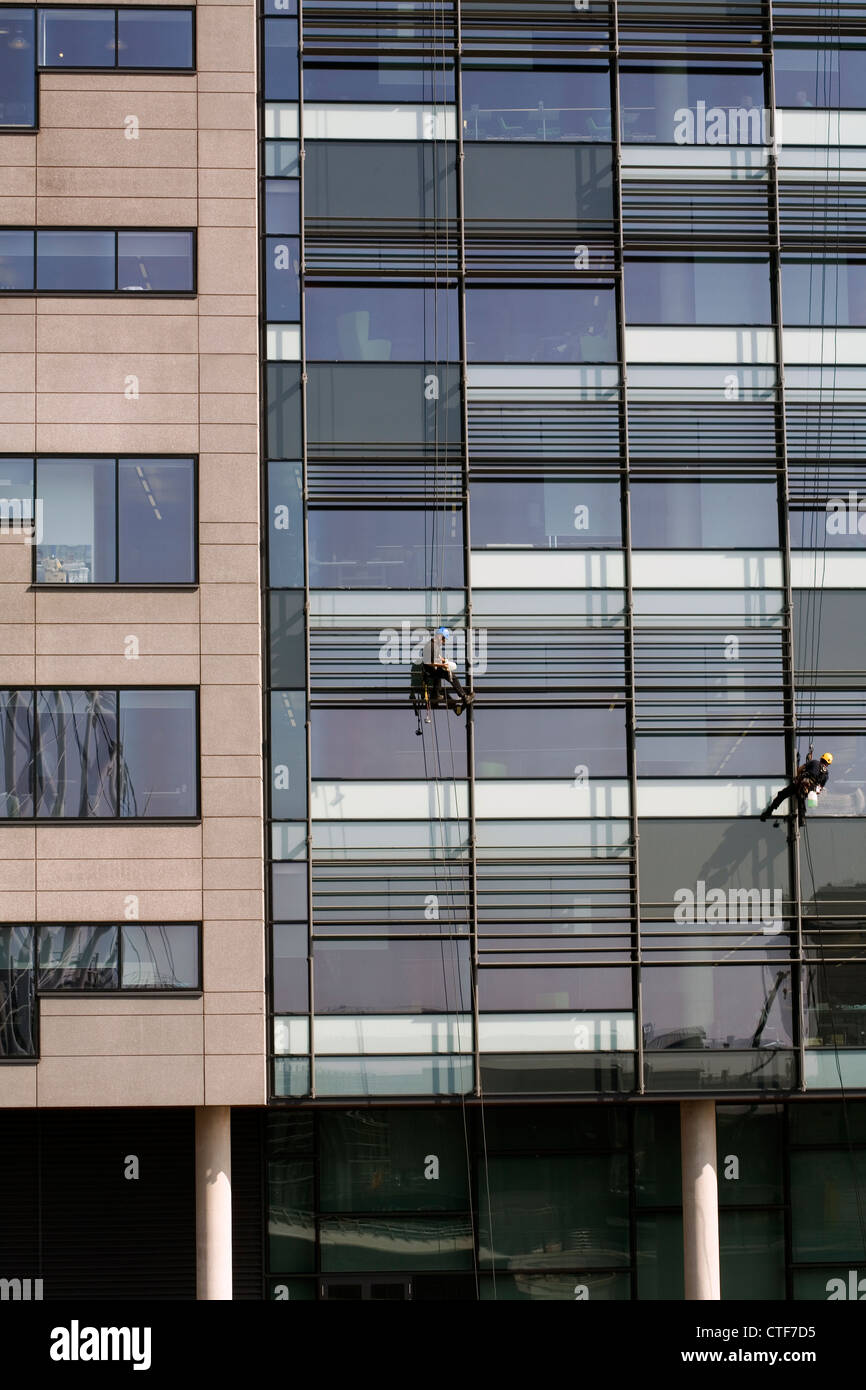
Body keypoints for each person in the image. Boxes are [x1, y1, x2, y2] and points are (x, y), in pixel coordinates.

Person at [412, 626, 473, 717]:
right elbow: (429, 663)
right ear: (440, 636)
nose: (444, 642)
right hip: (431, 671)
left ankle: (455, 708)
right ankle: (464, 697)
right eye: (444, 640)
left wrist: (443, 660)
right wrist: (443, 665)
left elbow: (438, 656)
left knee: (441, 692)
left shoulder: (435, 645)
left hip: (433, 669)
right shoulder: (431, 646)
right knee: (451, 676)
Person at [760, 752, 833, 827]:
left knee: (782, 794)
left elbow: (800, 769)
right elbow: (819, 788)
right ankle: (802, 820)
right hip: (810, 789)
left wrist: (797, 777)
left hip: (801, 783)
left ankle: (769, 812)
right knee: (801, 800)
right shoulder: (826, 774)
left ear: (821, 758)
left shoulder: (814, 762)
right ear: (828, 764)